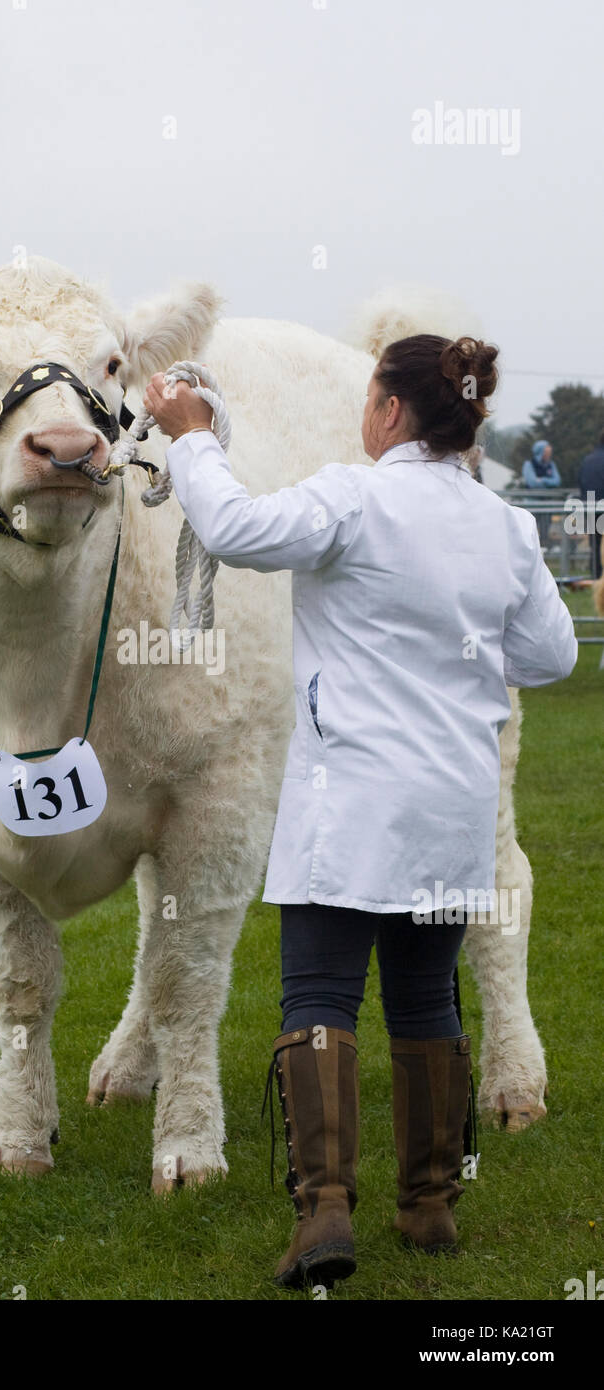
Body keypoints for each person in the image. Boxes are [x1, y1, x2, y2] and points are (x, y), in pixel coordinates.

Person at [145, 335, 578, 1293]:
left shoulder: (352, 494)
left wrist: (192, 436)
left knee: (320, 999)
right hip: (452, 803)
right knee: (427, 1002)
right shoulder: (505, 526)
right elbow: (554, 657)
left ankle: (325, 1213)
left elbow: (232, 528)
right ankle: (428, 1208)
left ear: (389, 411)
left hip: (349, 805)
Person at [521, 439, 561, 548]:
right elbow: (532, 482)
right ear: (541, 452)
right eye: (546, 453)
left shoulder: (551, 465)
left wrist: (542, 480)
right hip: (532, 505)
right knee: (530, 530)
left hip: (546, 504)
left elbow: (557, 481)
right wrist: (548, 482)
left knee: (545, 531)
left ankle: (544, 551)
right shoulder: (529, 464)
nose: (548, 456)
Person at [577, 428, 604, 580]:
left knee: (595, 544)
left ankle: (596, 576)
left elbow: (581, 481)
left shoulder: (588, 459)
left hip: (590, 506)